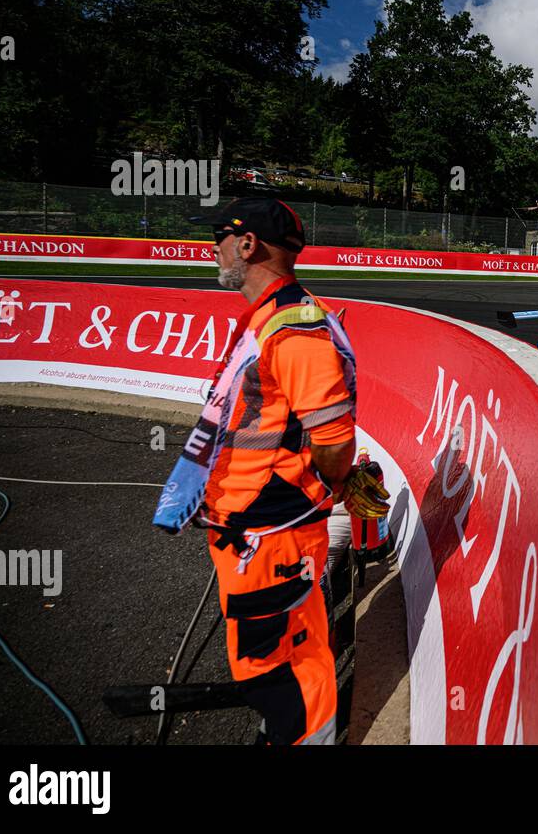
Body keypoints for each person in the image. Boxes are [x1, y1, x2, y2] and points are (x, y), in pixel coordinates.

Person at [152, 196, 389, 745]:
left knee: (272, 668)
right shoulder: (273, 317)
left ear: (247, 243)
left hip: (272, 532)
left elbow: (334, 439)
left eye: (217, 239)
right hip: (256, 526)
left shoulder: (294, 329)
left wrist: (320, 486)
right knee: (290, 653)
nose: (212, 251)